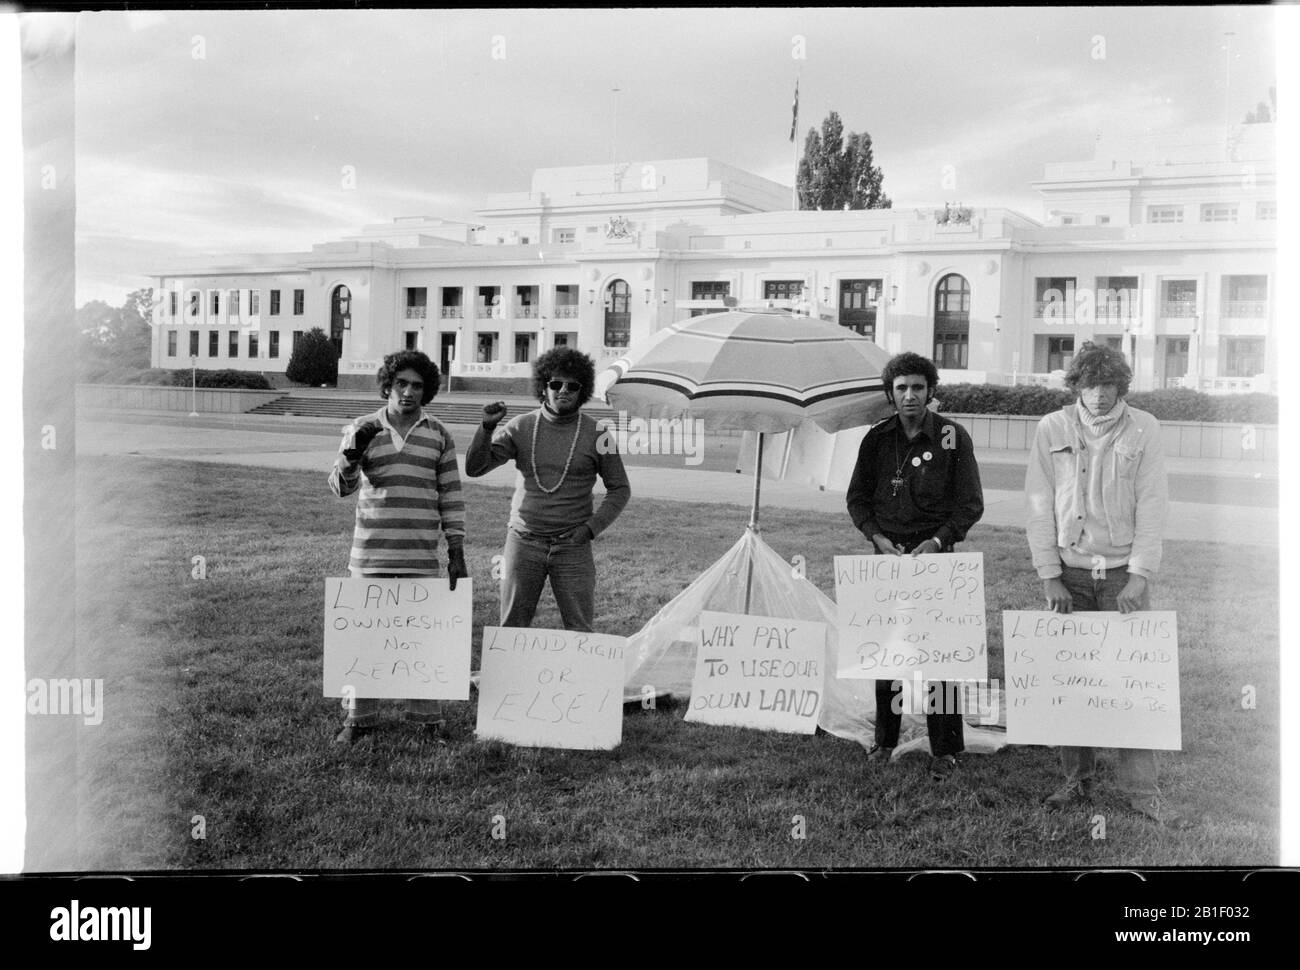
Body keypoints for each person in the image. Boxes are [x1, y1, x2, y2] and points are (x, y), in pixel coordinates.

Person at [1026, 341, 1189, 827]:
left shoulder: (1145, 427)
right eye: (1090, 384)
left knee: (1133, 684)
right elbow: (1038, 504)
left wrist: (1140, 574)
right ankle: (1077, 780)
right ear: (1075, 385)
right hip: (1070, 574)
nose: (1099, 394)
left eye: (1108, 384)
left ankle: (1143, 791)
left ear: (1122, 386)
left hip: (1121, 575)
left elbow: (1153, 503)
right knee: (1072, 683)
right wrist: (1049, 575)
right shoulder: (1051, 427)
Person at [846, 351, 985, 779]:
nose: (910, 395)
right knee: (887, 654)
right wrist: (876, 536)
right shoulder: (876, 439)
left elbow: (970, 504)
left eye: (918, 387)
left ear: (931, 391)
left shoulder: (952, 436)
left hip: (936, 561)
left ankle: (945, 748)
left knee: (941, 657)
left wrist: (939, 540)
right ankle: (884, 740)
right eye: (901, 387)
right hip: (887, 560)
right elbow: (857, 499)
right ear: (890, 393)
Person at [328, 349, 468, 744]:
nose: (408, 392)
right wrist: (352, 455)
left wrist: (456, 550)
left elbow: (450, 494)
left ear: (427, 391)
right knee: (365, 640)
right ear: (387, 386)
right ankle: (359, 720)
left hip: (421, 557)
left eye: (417, 386)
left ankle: (426, 721)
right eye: (401, 384)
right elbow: (340, 488)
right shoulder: (362, 427)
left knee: (421, 641)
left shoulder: (439, 434)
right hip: (370, 555)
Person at [465, 347, 630, 632]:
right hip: (523, 541)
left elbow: (620, 488)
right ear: (543, 387)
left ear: (582, 391)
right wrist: (486, 428)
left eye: (572, 386)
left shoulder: (598, 433)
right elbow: (475, 468)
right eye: (556, 384)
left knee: (580, 629)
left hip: (573, 546)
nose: (563, 390)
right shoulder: (521, 426)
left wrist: (590, 529)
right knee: (512, 627)